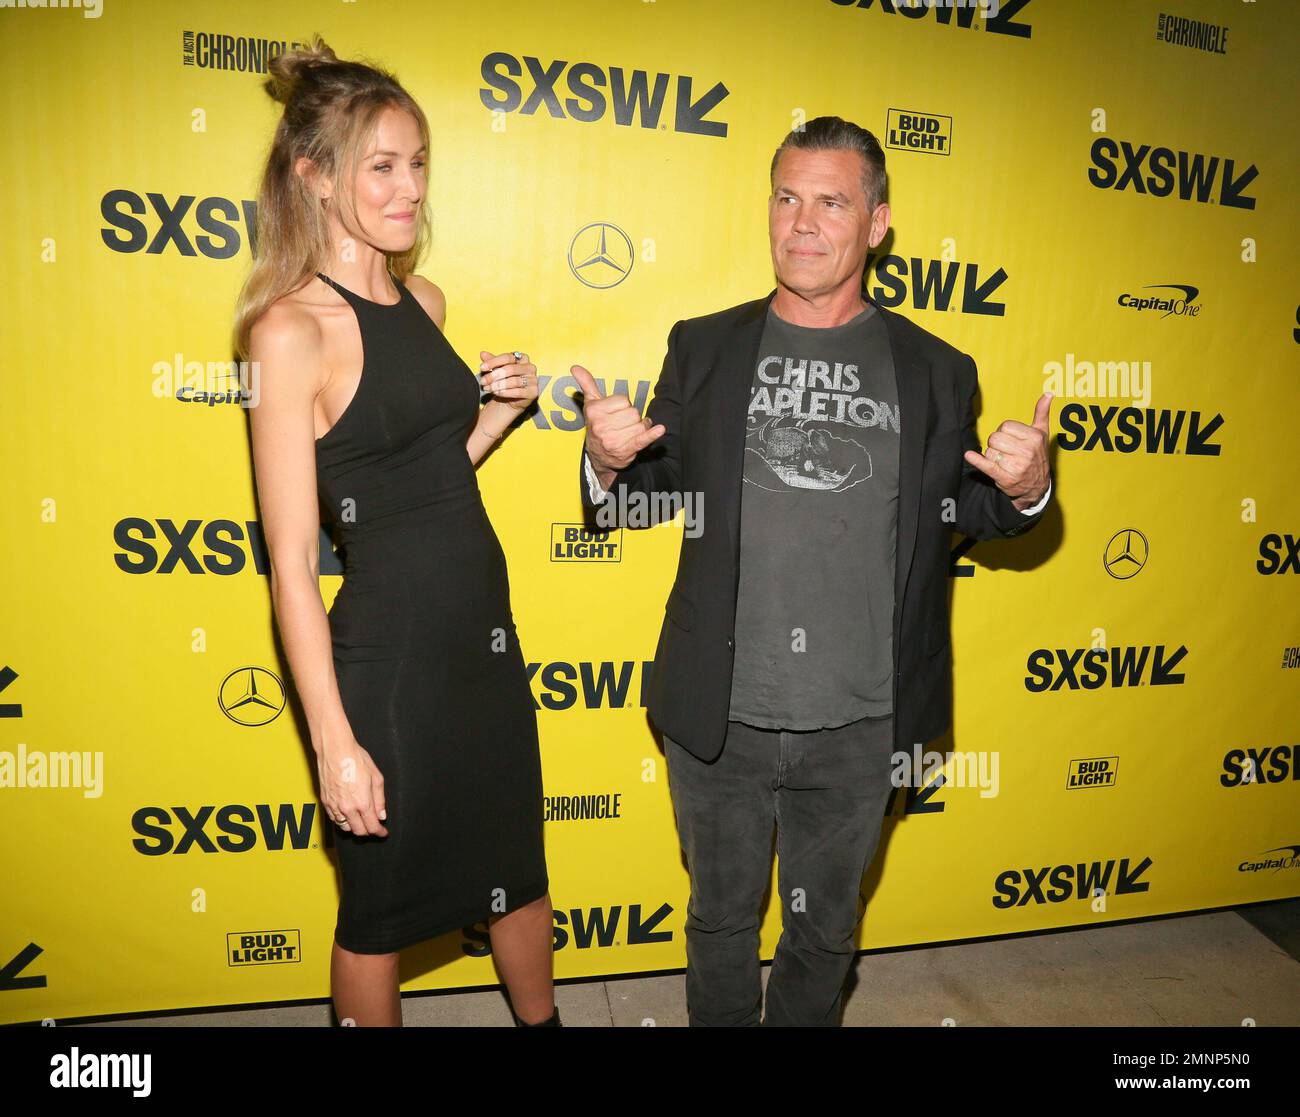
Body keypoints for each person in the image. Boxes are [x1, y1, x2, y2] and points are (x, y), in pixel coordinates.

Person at [574, 116, 1054, 1027]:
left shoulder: (936, 368)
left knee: (826, 933)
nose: (803, 222)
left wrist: (1028, 489)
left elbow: (966, 511)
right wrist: (606, 463)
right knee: (719, 919)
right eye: (787, 198)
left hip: (863, 720)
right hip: (718, 709)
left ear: (876, 224)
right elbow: (653, 486)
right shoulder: (705, 346)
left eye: (831, 202)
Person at [236, 37, 557, 1027]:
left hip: (483, 643)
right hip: (391, 657)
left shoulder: (424, 300)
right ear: (315, 177)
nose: (408, 186)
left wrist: (500, 414)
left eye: (416, 162)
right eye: (380, 164)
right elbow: (291, 559)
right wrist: (333, 741)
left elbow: (422, 479)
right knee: (377, 909)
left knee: (514, 862)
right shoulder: (287, 333)